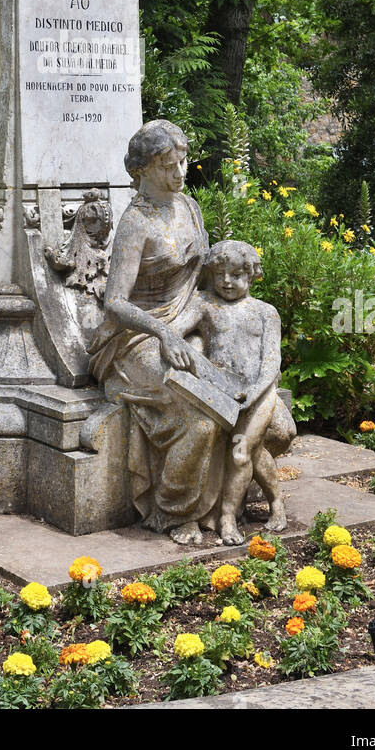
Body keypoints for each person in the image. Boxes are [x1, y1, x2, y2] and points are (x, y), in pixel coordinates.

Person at [88, 120, 224, 545]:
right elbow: (115, 303)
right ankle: (173, 510)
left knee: (233, 388)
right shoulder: (136, 223)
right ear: (142, 170)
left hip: (186, 324)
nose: (180, 173)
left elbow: (201, 279)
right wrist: (163, 334)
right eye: (168, 166)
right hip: (136, 339)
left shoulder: (189, 207)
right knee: (199, 414)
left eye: (182, 162)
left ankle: (226, 504)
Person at [170, 240, 288, 543]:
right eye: (220, 274)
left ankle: (227, 518)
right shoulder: (204, 303)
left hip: (259, 393)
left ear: (251, 274)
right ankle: (277, 503)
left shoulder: (265, 312)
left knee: (240, 453)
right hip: (221, 392)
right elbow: (172, 333)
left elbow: (272, 361)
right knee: (253, 450)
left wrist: (256, 391)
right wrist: (179, 349)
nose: (226, 281)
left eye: (235, 275)